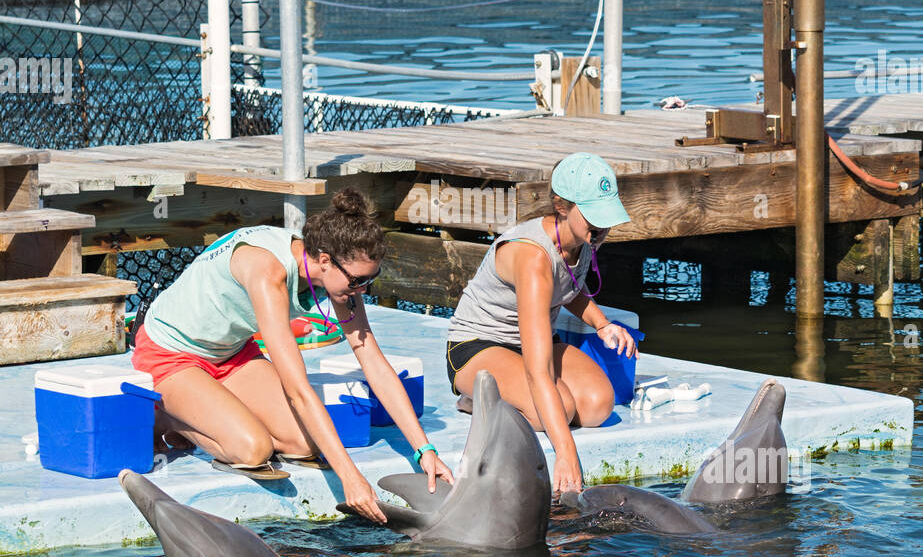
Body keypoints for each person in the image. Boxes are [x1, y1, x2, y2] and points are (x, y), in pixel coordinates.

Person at [131, 188, 452, 522]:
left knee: (304, 444)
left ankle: (209, 405)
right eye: (358, 281)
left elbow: (374, 362)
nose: (363, 291)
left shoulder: (338, 276)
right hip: (170, 353)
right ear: (325, 260)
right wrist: (350, 476)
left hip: (231, 353)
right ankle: (166, 417)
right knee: (252, 449)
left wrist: (424, 450)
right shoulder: (269, 272)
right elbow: (298, 389)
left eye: (372, 279)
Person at [445, 152, 637, 496]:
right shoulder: (533, 256)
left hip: (531, 343)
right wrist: (566, 455)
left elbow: (568, 290)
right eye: (594, 216)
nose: (603, 227)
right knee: (560, 408)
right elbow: (538, 372)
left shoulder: (583, 239)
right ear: (562, 207)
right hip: (478, 346)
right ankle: (475, 398)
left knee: (598, 404)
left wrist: (602, 324)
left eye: (606, 217)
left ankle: (503, 395)